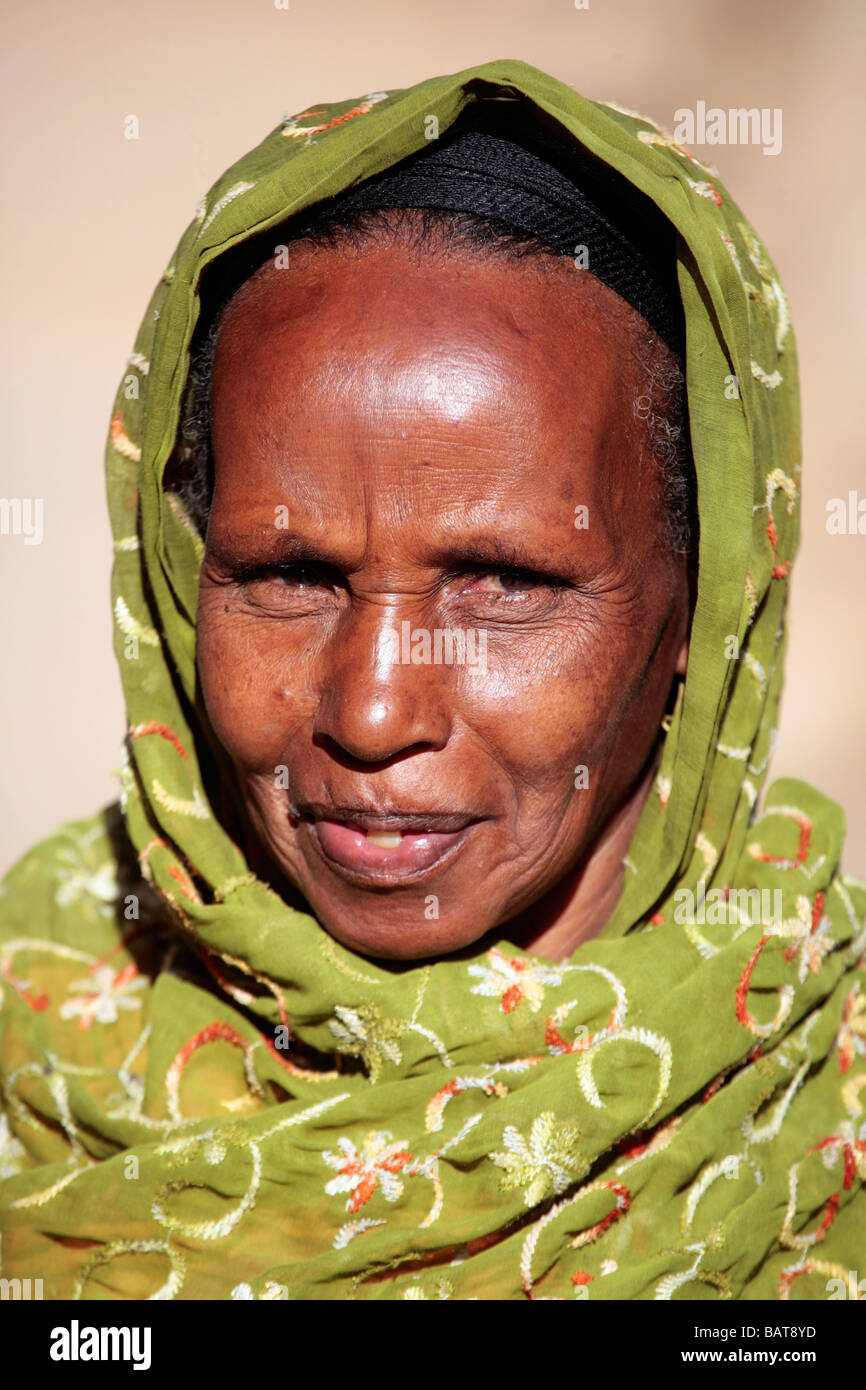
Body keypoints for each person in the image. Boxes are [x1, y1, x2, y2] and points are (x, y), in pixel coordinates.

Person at [0, 60, 863, 1302]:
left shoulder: (824, 1088)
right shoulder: (41, 1023)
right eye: (286, 572)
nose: (369, 711)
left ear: (703, 599)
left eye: (503, 583)